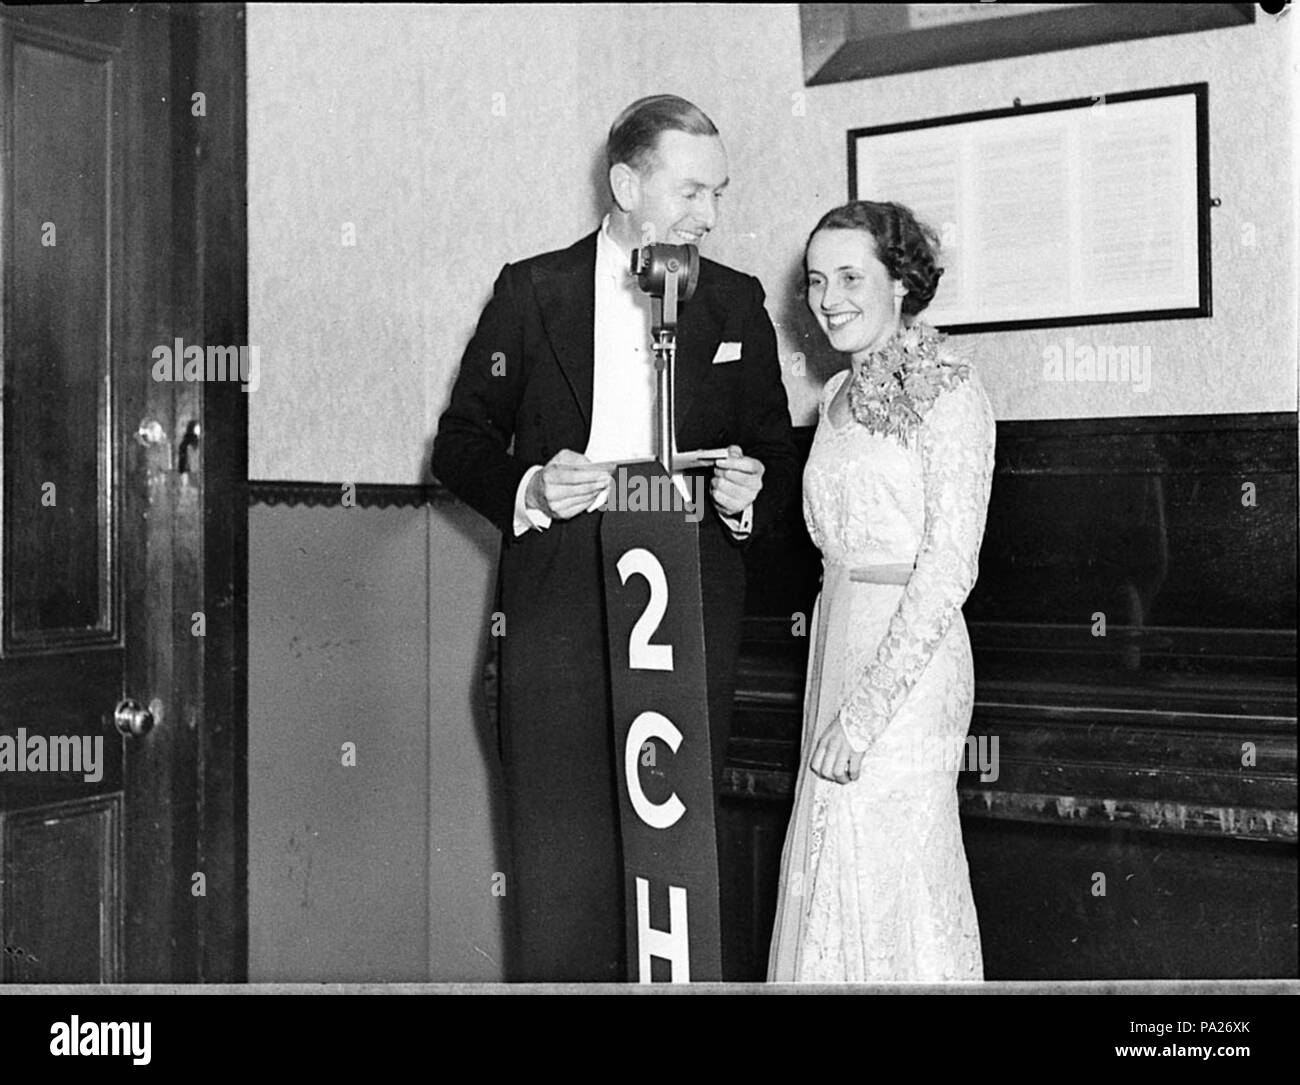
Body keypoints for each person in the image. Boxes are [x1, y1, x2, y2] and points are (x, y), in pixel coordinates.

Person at [432, 95, 798, 982]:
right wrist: (529, 484)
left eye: (718, 194)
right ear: (626, 183)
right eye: (690, 192)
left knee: (673, 869)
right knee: (561, 875)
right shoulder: (533, 290)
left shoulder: (738, 301)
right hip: (556, 614)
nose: (708, 216)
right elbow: (460, 442)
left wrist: (745, 497)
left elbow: (776, 458)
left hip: (689, 615)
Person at [767, 200, 994, 982]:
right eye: (818, 280)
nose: (829, 297)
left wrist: (862, 715)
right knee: (833, 863)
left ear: (901, 282)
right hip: (835, 647)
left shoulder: (952, 390)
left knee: (889, 866)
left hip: (910, 673)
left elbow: (948, 569)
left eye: (852, 276)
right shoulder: (829, 400)